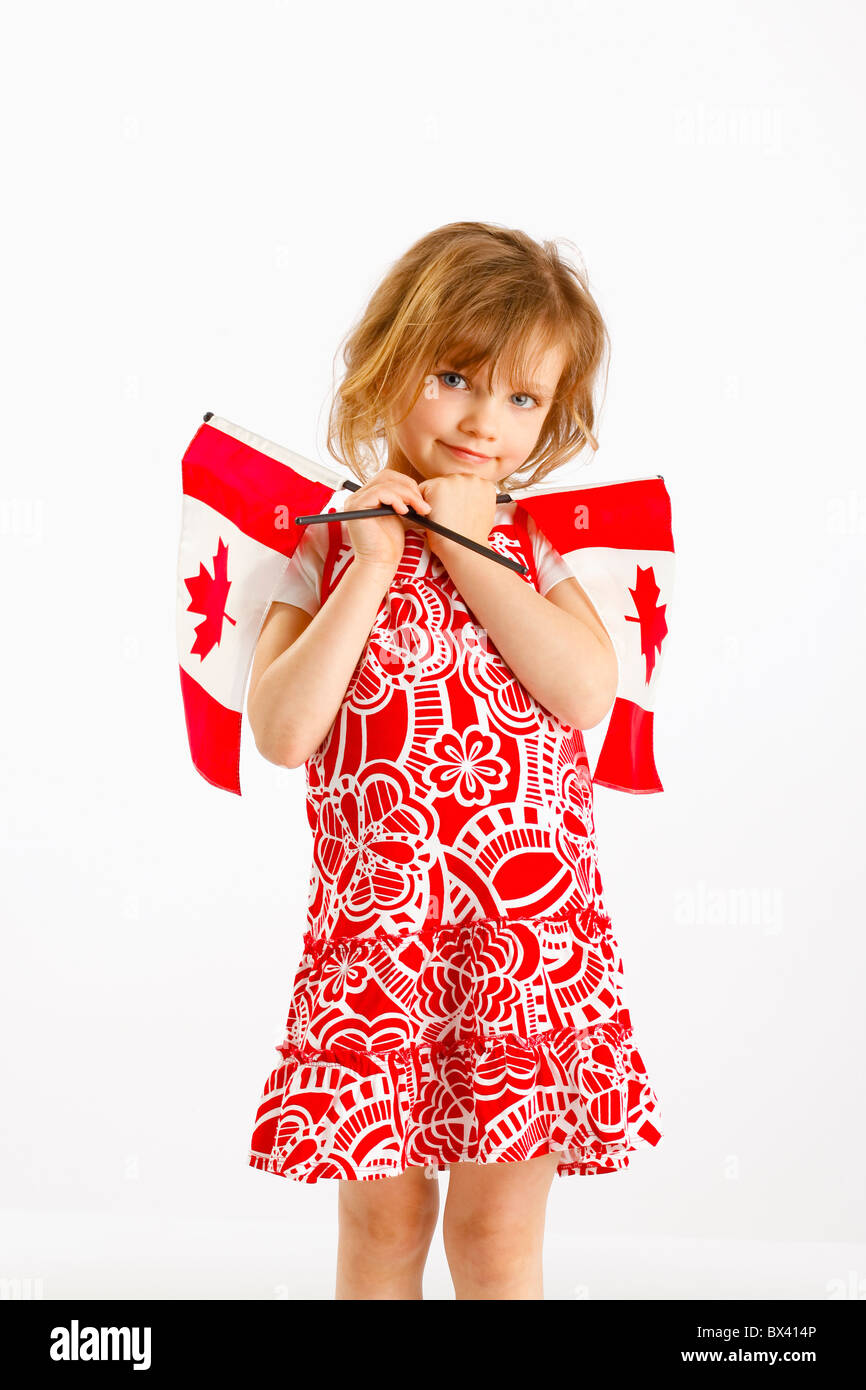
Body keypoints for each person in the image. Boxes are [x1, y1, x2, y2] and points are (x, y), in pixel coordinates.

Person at [245, 221, 663, 1300]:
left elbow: (582, 692)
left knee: (493, 1233)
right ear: (386, 362)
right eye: (453, 378)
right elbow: (285, 730)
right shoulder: (328, 541)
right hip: (377, 934)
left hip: (524, 943)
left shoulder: (535, 546)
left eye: (522, 400)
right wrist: (374, 561)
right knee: (381, 1220)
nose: (484, 421)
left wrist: (466, 544)